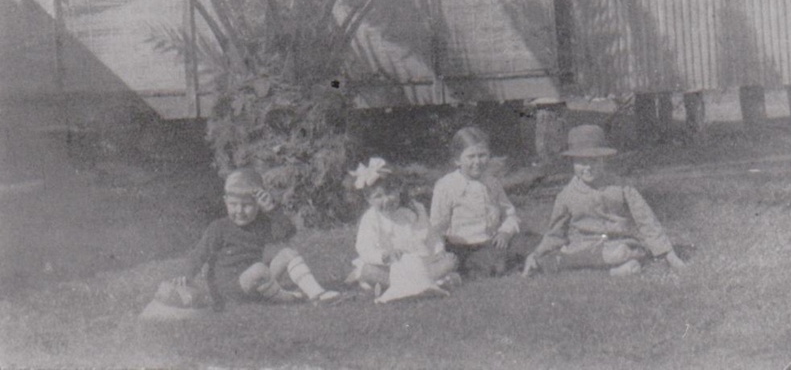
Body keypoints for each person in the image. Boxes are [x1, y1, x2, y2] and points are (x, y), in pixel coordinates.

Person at [164, 167, 340, 311]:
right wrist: (186, 274)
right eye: (233, 205)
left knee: (287, 253)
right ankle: (286, 298)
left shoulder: (261, 222)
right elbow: (199, 254)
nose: (239, 211)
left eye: (247, 205)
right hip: (229, 288)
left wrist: (272, 210)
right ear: (226, 202)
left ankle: (317, 293)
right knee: (258, 269)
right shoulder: (219, 227)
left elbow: (287, 233)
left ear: (258, 204)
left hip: (255, 279)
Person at [523, 124, 687, 277]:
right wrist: (537, 254)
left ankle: (617, 266)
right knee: (565, 256)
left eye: (594, 161)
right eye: (581, 162)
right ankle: (617, 270)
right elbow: (555, 233)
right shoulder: (566, 195)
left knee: (621, 252)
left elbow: (646, 220)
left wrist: (668, 254)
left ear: (604, 160)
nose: (588, 167)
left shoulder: (622, 187)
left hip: (617, 243)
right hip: (583, 247)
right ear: (572, 162)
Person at [345, 157, 460, 301]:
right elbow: (364, 247)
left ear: (399, 189)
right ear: (369, 199)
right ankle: (423, 284)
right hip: (392, 267)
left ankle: (411, 284)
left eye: (390, 192)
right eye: (378, 196)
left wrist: (439, 252)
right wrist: (385, 255)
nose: (386, 200)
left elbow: (430, 236)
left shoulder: (415, 209)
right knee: (367, 270)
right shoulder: (370, 219)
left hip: (420, 263)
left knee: (450, 261)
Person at [430, 127, 537, 279]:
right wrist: (440, 253)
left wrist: (505, 232)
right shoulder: (446, 186)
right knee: (487, 264)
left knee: (530, 240)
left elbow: (509, 214)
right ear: (457, 160)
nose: (477, 162)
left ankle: (528, 259)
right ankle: (496, 266)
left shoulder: (492, 182)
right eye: (471, 157)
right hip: (464, 247)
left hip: (491, 242)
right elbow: (437, 226)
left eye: (482, 155)